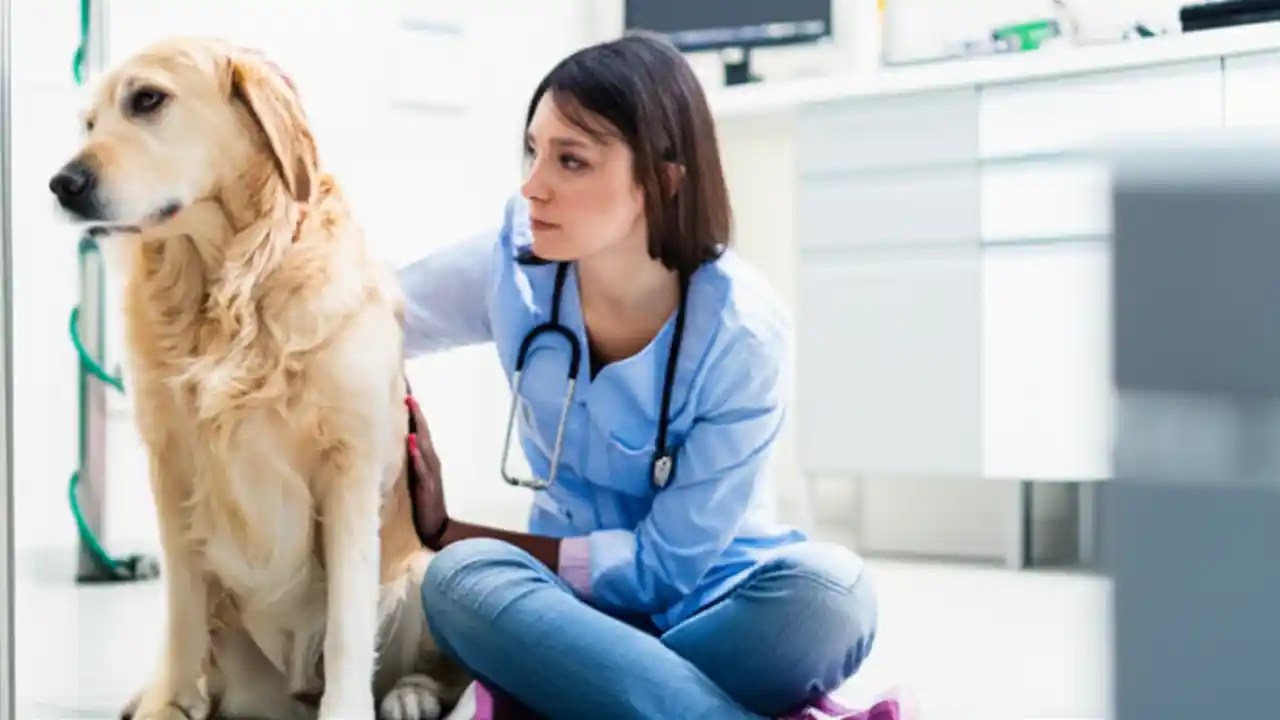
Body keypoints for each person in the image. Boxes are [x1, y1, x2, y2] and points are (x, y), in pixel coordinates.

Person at [397, 32, 884, 720]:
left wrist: (455, 526)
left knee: (834, 599)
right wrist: (445, 532)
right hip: (560, 610)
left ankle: (598, 692)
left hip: (718, 604)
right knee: (460, 581)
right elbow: (364, 316)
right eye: (533, 152)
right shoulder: (515, 265)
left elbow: (661, 571)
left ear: (662, 180)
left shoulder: (742, 334)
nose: (533, 185)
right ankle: (652, 695)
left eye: (571, 161)